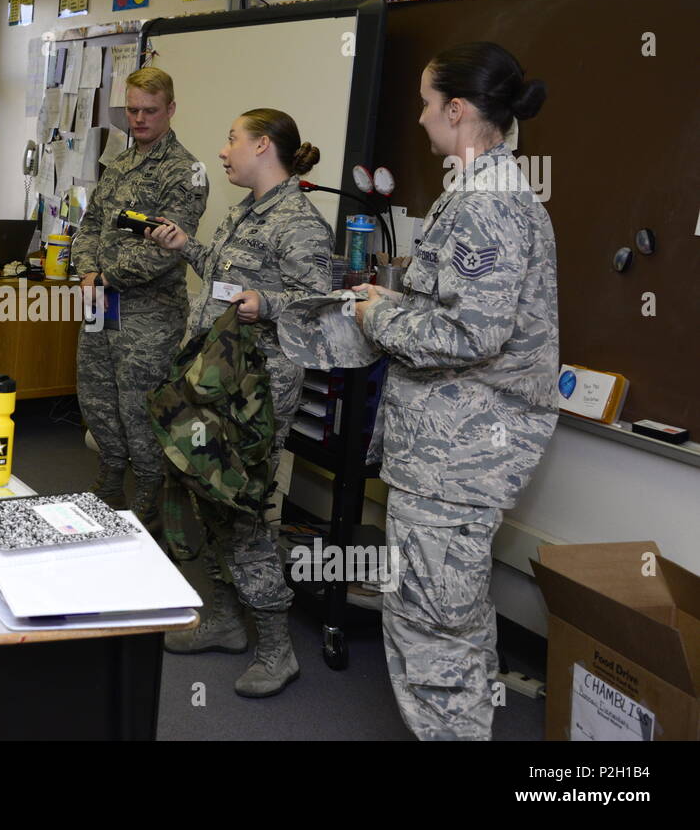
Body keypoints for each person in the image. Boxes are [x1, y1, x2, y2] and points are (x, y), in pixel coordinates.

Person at [353, 42, 557, 740]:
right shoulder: (480, 189)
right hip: (447, 451)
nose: (418, 116)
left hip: (459, 456)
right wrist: (400, 290)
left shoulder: (488, 203)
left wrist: (380, 314)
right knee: (444, 620)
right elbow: (459, 301)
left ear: (458, 109)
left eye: (426, 102)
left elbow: (472, 334)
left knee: (437, 635)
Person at [149, 109, 332, 698]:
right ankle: (227, 623)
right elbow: (230, 280)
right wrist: (188, 248)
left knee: (244, 514)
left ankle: (278, 651)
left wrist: (271, 304)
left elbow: (317, 303)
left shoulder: (298, 222)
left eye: (232, 139)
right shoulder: (245, 210)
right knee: (208, 499)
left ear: (261, 145)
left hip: (256, 397)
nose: (223, 151)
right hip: (212, 384)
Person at [71, 67, 208, 530]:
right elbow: (90, 226)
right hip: (100, 304)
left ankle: (148, 498)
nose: (139, 119)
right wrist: (87, 270)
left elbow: (167, 252)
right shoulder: (119, 165)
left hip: (149, 316)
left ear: (170, 109)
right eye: (132, 110)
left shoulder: (184, 172)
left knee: (139, 405)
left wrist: (106, 275)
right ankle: (109, 481)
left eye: (150, 110)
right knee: (97, 396)